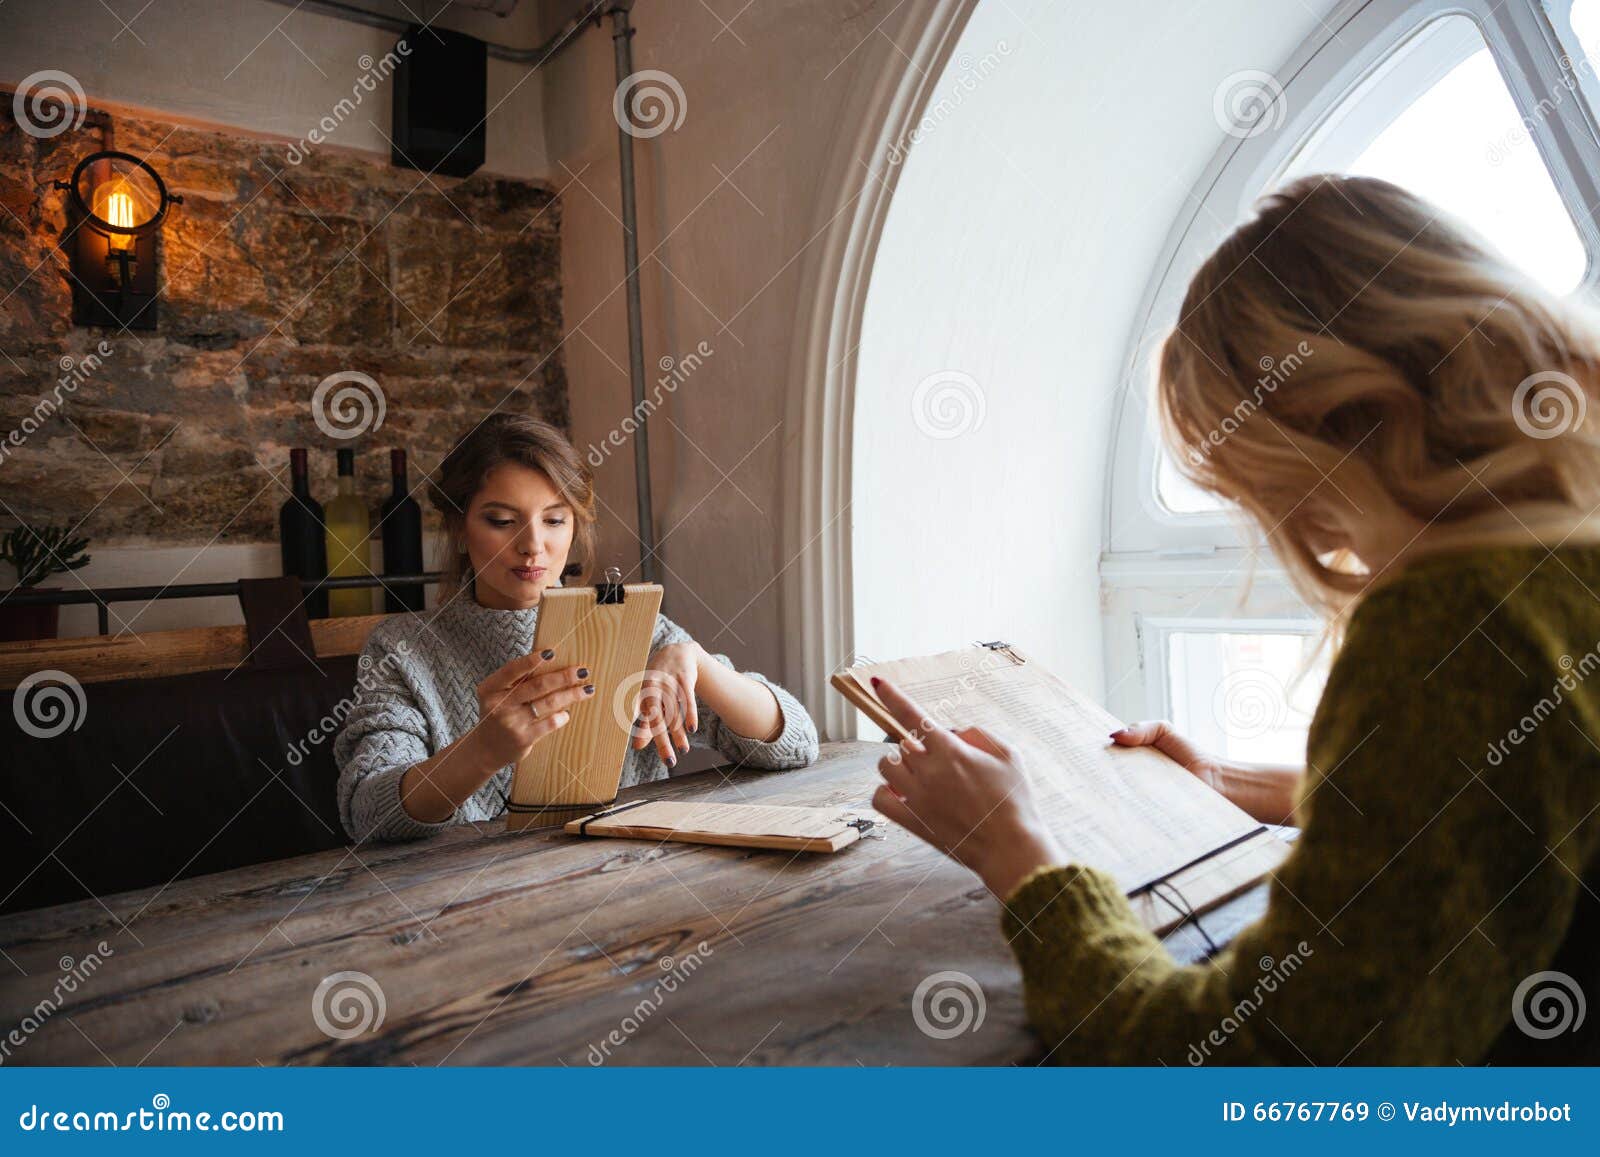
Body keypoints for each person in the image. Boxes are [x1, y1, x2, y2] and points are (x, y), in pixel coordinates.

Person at [869, 175, 1600, 1064]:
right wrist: (1226, 778)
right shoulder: (1556, 567)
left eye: (1261, 486)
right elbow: (1509, 797)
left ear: (1338, 416)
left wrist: (1020, 856)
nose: (1288, 529)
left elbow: (1246, 1064)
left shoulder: (1458, 618)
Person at [334, 414, 818, 842]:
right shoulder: (402, 648)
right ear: (460, 529)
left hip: (620, 881)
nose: (533, 546)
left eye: (554, 520)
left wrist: (698, 661)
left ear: (575, 527)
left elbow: (795, 744)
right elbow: (367, 814)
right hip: (465, 907)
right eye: (501, 520)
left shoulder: (632, 627)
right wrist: (483, 750)